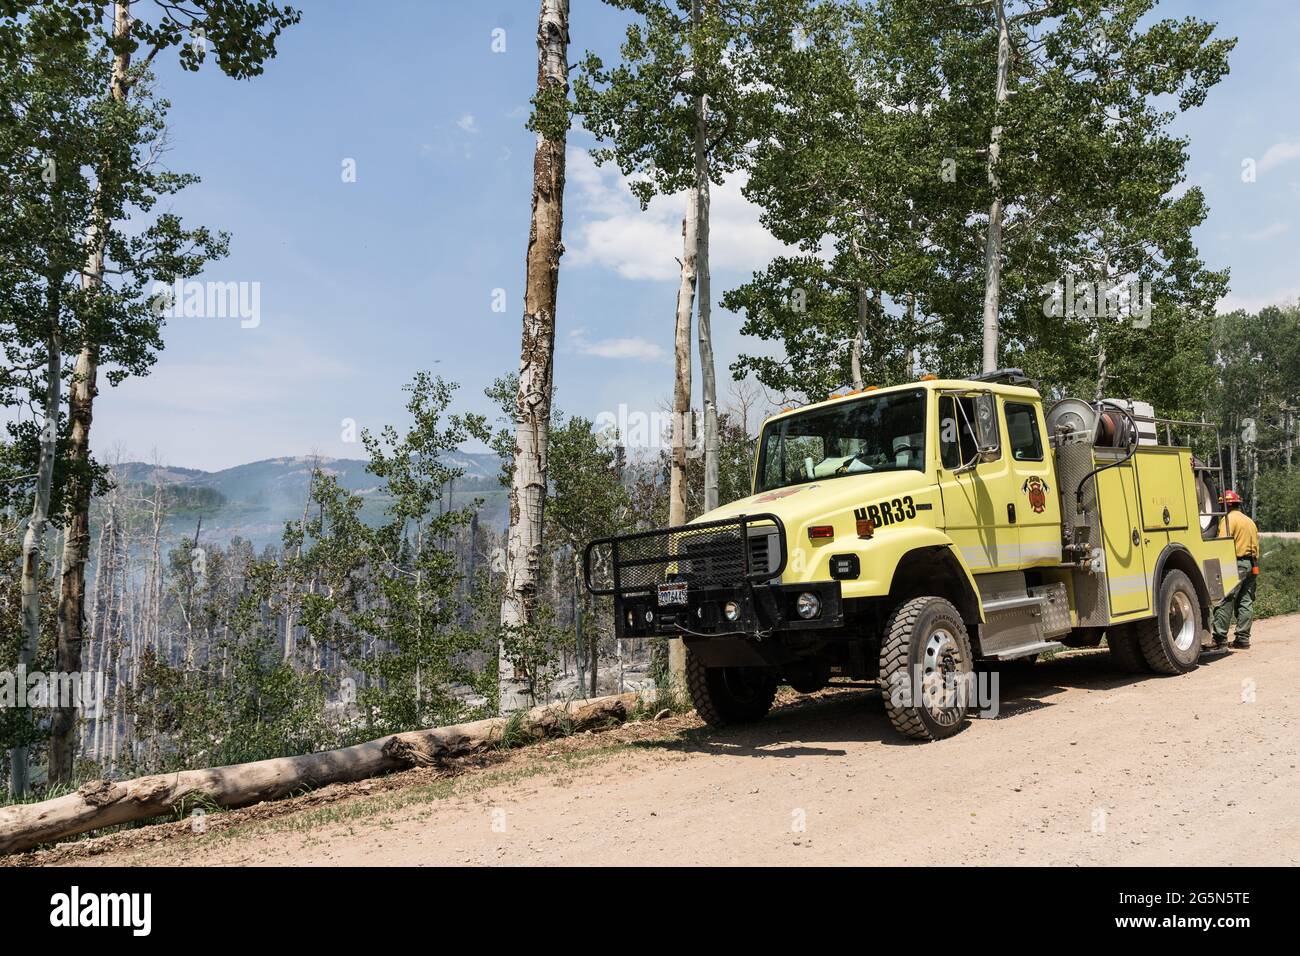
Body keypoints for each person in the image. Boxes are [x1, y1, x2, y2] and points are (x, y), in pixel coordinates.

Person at [1211, 490, 1259, 650]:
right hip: (1252, 564)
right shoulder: (1249, 521)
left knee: (1225, 599)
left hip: (1236, 563)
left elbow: (1221, 544)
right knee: (1245, 600)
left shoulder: (1228, 520)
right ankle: (1243, 638)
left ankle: (1219, 639)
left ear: (1226, 504)